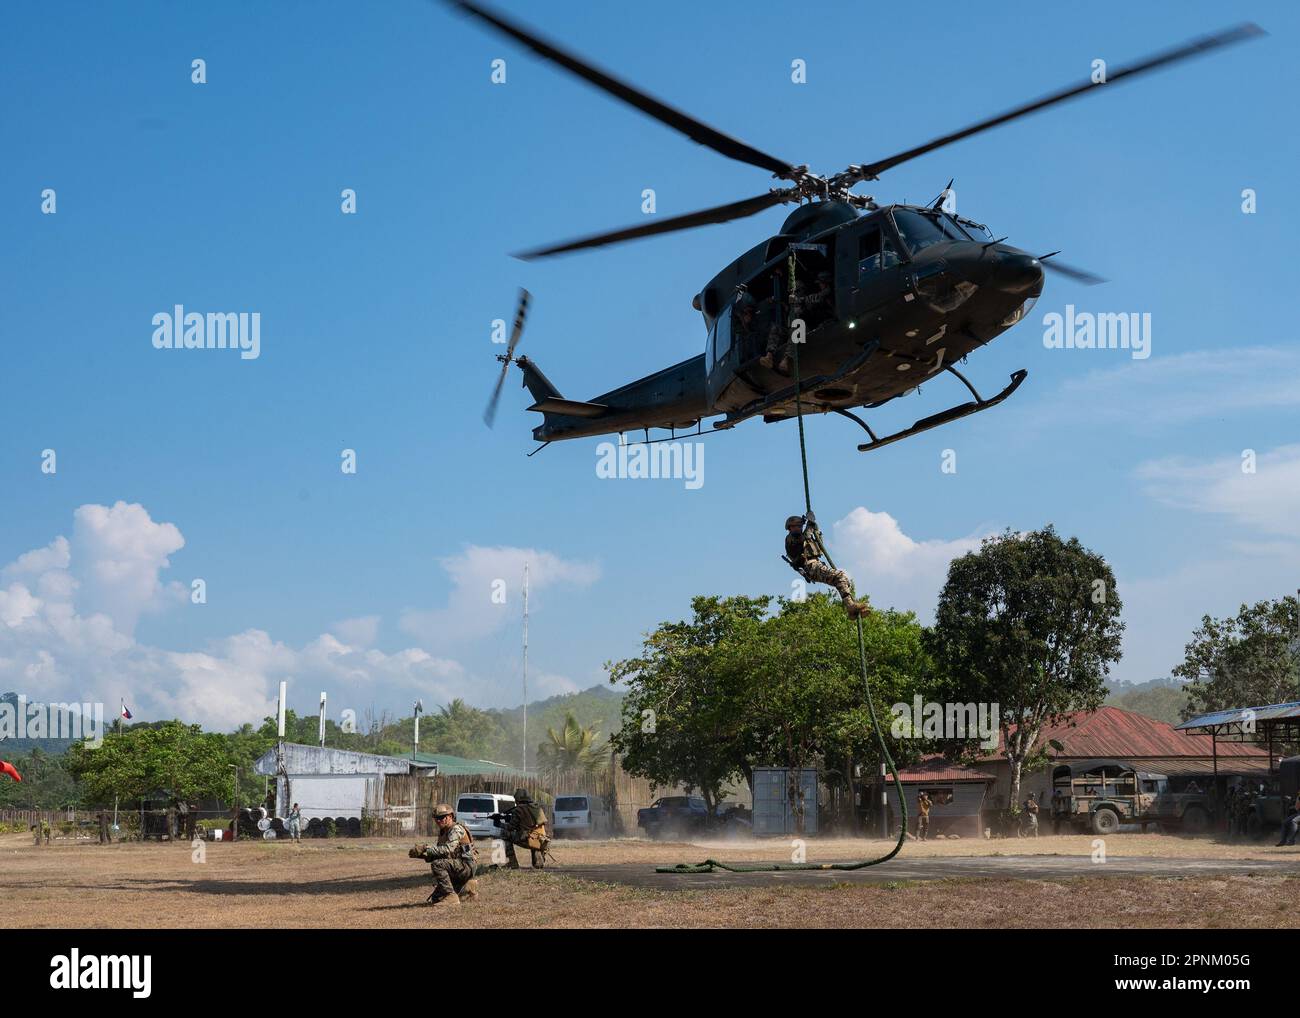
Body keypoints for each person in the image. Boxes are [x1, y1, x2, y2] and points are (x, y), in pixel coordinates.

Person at [783, 513, 870, 619]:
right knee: (840, 576)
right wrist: (810, 526)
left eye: (800, 526)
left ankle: (852, 609)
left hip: (816, 565)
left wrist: (816, 531)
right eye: (797, 526)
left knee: (843, 581)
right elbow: (804, 537)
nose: (799, 528)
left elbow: (818, 545)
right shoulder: (790, 539)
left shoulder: (803, 536)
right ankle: (850, 606)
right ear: (790, 528)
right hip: (810, 567)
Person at [410, 803, 479, 906]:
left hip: (466, 866)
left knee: (437, 864)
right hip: (458, 867)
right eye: (436, 818)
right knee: (436, 899)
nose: (438, 820)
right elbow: (440, 853)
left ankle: (452, 897)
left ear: (450, 816)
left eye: (442, 817)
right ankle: (468, 886)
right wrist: (421, 854)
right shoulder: (444, 832)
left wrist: (426, 848)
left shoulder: (456, 829)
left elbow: (447, 849)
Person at [499, 789, 550, 870]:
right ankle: (538, 861)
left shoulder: (518, 810)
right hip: (541, 840)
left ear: (518, 799)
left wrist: (500, 824)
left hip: (526, 839)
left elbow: (511, 827)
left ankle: (512, 863)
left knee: (504, 833)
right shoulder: (537, 807)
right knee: (533, 833)